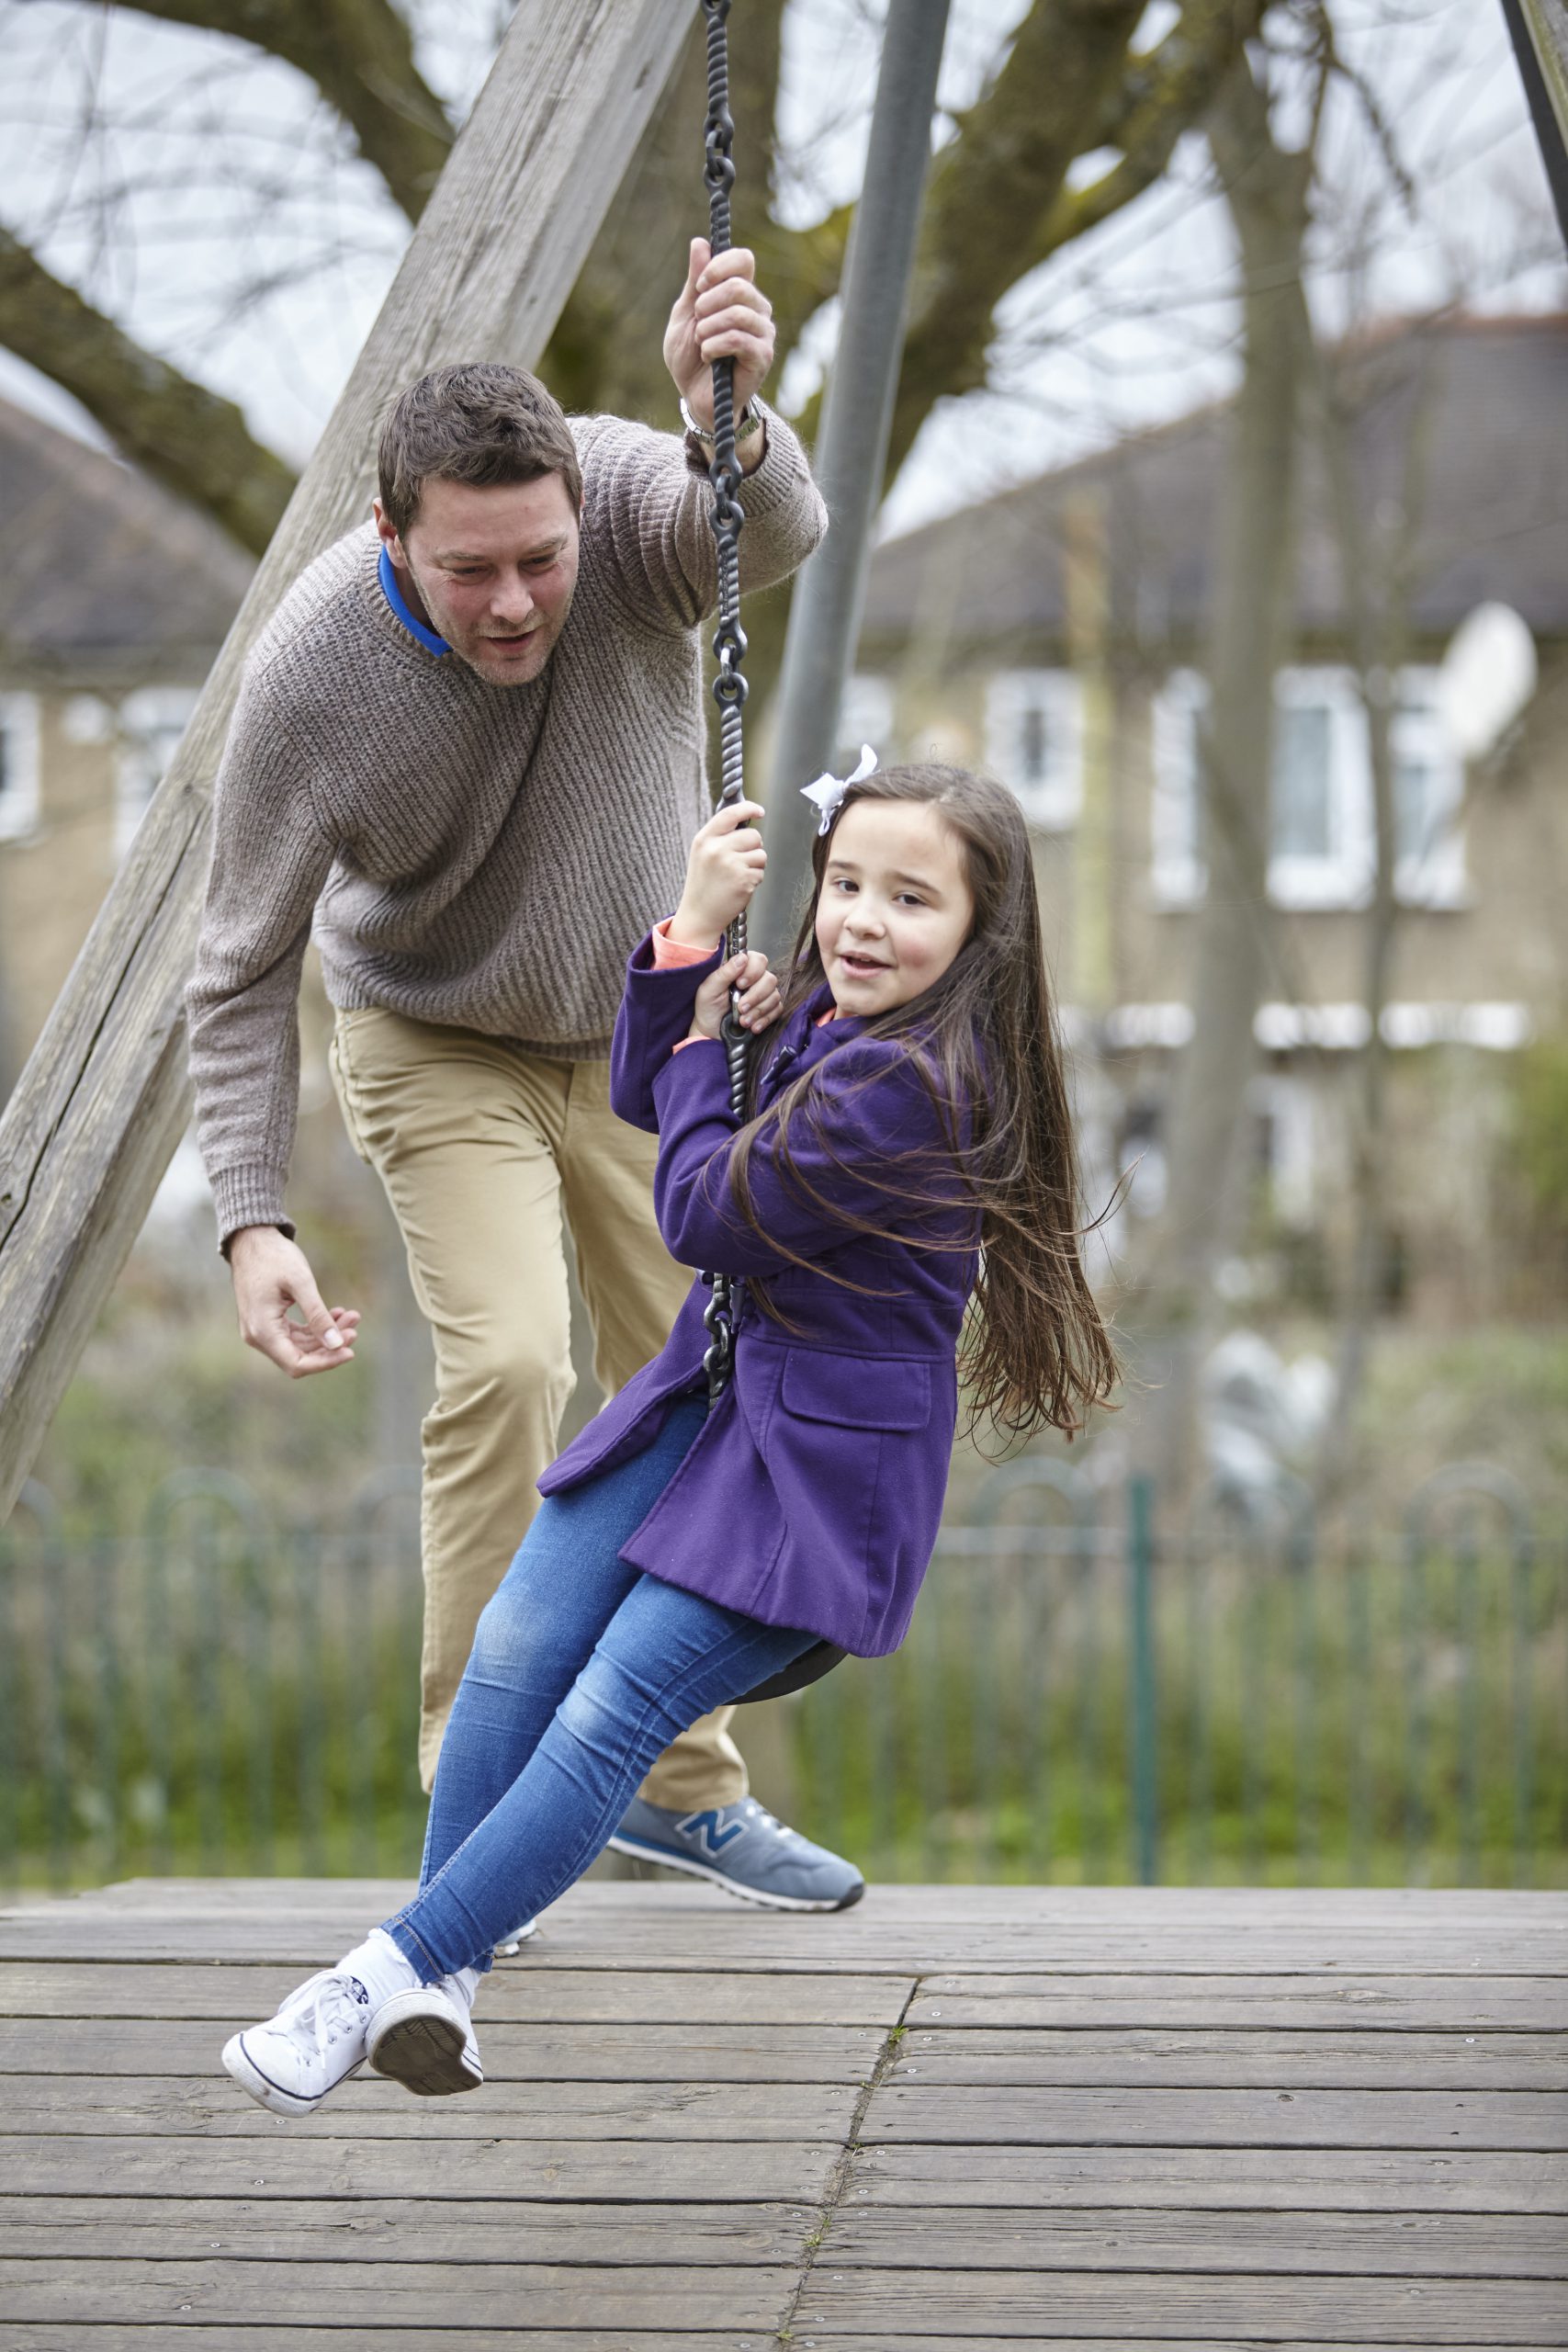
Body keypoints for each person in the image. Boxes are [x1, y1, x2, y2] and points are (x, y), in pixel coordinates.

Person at [220, 756, 1119, 2116]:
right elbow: (651, 1097)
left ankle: (370, 1981)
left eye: (911, 899)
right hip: (703, 1404)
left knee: (610, 1711)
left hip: (812, 1476)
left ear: (979, 929)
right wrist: (693, 959)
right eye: (848, 884)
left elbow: (698, 1211)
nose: (864, 921)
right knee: (514, 1646)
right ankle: (442, 1973)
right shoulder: (835, 1018)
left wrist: (711, 1050)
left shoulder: (919, 1084)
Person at [186, 237, 862, 1909]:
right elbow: (241, 963)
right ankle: (474, 1804)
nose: (513, 603)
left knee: (698, 1380)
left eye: (539, 564)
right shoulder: (310, 677)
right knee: (509, 1364)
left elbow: (776, 532)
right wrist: (253, 1220)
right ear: (389, 536)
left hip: (650, 1035)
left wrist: (730, 421)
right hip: (438, 1036)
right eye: (469, 570)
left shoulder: (626, 502)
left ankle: (679, 1790)